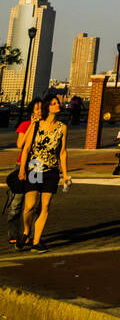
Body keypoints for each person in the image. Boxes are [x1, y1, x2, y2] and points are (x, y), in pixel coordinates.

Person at [17, 92, 69, 252]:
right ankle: (26, 231)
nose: (57, 105)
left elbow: (62, 152)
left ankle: (36, 241)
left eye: (57, 103)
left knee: (45, 206)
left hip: (52, 170)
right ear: (48, 107)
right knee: (30, 206)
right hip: (35, 166)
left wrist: (65, 174)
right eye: (54, 103)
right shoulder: (37, 125)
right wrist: (21, 170)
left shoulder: (62, 128)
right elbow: (25, 149)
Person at [6, 100, 41, 246]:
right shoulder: (25, 125)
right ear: (32, 111)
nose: (40, 111)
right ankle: (14, 234)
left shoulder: (46, 126)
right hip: (23, 164)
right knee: (16, 203)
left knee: (33, 204)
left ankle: (29, 234)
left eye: (41, 108)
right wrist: (32, 125)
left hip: (37, 165)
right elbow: (20, 145)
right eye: (37, 108)